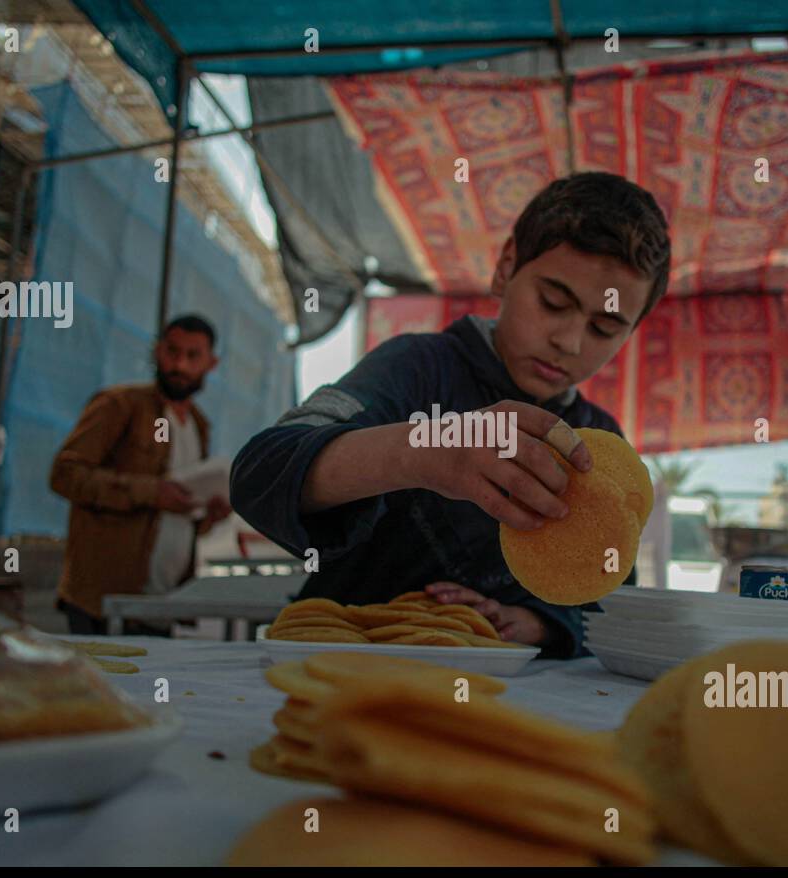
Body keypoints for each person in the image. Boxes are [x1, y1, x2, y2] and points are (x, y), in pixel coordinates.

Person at [231, 172, 671, 657]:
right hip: (345, 666)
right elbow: (261, 470)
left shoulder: (598, 439)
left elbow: (609, 597)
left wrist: (535, 623)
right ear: (506, 267)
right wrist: (418, 452)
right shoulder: (417, 368)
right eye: (553, 302)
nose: (568, 341)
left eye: (605, 327)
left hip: (505, 700)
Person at [51, 313, 233, 634]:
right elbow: (66, 474)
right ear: (158, 352)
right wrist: (151, 492)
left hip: (163, 603)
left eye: (193, 356)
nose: (180, 365)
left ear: (211, 363)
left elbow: (177, 513)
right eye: (172, 352)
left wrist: (208, 517)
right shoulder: (118, 404)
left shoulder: (200, 426)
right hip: (104, 600)